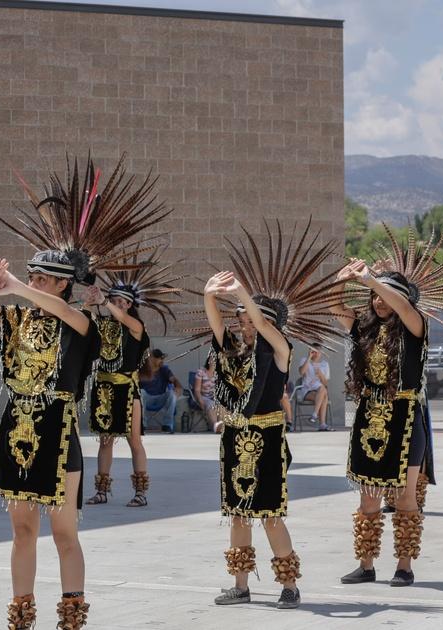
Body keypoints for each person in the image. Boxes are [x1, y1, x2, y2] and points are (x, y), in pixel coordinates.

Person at [0, 156, 169, 629]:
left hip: (56, 430)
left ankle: (71, 617)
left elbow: (59, 310)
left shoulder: (79, 322)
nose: (33, 284)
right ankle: (21, 617)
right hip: (17, 428)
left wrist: (19, 288)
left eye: (42, 279)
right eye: (32, 277)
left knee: (64, 532)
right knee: (21, 530)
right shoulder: (20, 319)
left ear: (63, 284)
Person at [199, 219, 343, 610]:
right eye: (241, 320)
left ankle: (289, 585)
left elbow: (262, 322)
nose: (245, 325)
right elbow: (215, 324)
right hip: (235, 437)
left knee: (269, 515)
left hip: (266, 438)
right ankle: (240, 585)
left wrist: (243, 294)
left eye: (250, 320)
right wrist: (209, 295)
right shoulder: (233, 351)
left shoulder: (279, 349)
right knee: (237, 514)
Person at [330, 225, 443, 588]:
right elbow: (334, 306)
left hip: (405, 419)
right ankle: (366, 565)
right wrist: (342, 280)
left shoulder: (416, 326)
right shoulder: (364, 327)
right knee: (368, 500)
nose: (379, 302)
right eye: (375, 297)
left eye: (386, 297)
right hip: (369, 418)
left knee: (404, 497)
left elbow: (401, 305)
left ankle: (404, 566)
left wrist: (373, 280)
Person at [83, 252, 182, 508]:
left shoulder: (135, 326)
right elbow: (84, 326)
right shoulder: (104, 324)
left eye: (121, 301)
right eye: (114, 300)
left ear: (129, 305)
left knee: (133, 440)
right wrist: (89, 302)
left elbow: (122, 318)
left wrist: (105, 302)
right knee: (105, 441)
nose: (117, 304)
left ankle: (140, 492)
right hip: (104, 388)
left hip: (126, 388)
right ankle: (101, 491)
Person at [139, 349, 181, 433]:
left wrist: (177, 388)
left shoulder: (164, 370)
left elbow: (174, 380)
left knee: (171, 394)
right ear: (152, 358)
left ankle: (167, 425)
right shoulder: (144, 370)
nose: (162, 360)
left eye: (162, 358)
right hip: (147, 398)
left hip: (161, 398)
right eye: (159, 358)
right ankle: (142, 424)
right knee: (141, 392)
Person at [297, 347, 331, 431]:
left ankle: (315, 415)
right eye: (313, 352)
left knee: (323, 390)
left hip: (319, 390)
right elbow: (301, 372)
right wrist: (309, 358)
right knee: (324, 394)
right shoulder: (305, 360)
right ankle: (322, 424)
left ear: (321, 353)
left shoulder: (324, 364)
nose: (315, 354)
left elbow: (325, 383)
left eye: (317, 352)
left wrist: (320, 374)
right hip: (307, 391)